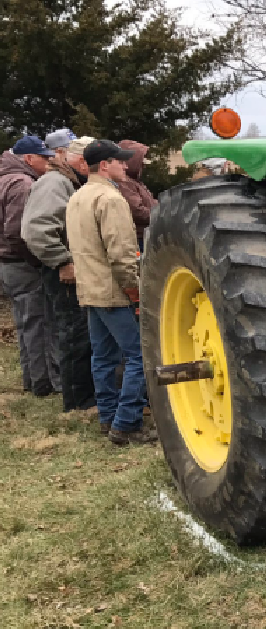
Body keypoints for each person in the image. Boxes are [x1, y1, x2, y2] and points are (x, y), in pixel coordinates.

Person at [66, 139, 155, 444]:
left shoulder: (77, 197)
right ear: (104, 165)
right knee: (138, 355)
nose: (125, 165)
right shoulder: (111, 199)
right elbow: (122, 254)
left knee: (102, 357)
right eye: (119, 161)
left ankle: (107, 417)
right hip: (113, 291)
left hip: (90, 290)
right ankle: (126, 423)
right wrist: (134, 290)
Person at [22, 136, 96, 412]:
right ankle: (78, 403)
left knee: (78, 331)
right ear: (78, 161)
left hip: (70, 267)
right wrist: (63, 262)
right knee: (74, 332)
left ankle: (83, 397)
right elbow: (35, 229)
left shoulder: (65, 181)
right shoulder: (56, 183)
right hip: (65, 271)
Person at [0, 135, 61, 396]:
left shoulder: (4, 178)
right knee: (39, 323)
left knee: (25, 323)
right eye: (44, 158)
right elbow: (17, 232)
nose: (49, 162)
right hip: (22, 264)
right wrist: (38, 261)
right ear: (29, 159)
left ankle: (30, 378)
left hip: (7, 264)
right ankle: (42, 382)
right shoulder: (23, 184)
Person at [116, 140, 156, 249]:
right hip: (138, 238)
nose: (143, 167)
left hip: (144, 235)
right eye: (141, 163)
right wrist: (160, 214)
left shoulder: (135, 182)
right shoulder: (124, 183)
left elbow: (149, 202)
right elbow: (136, 211)